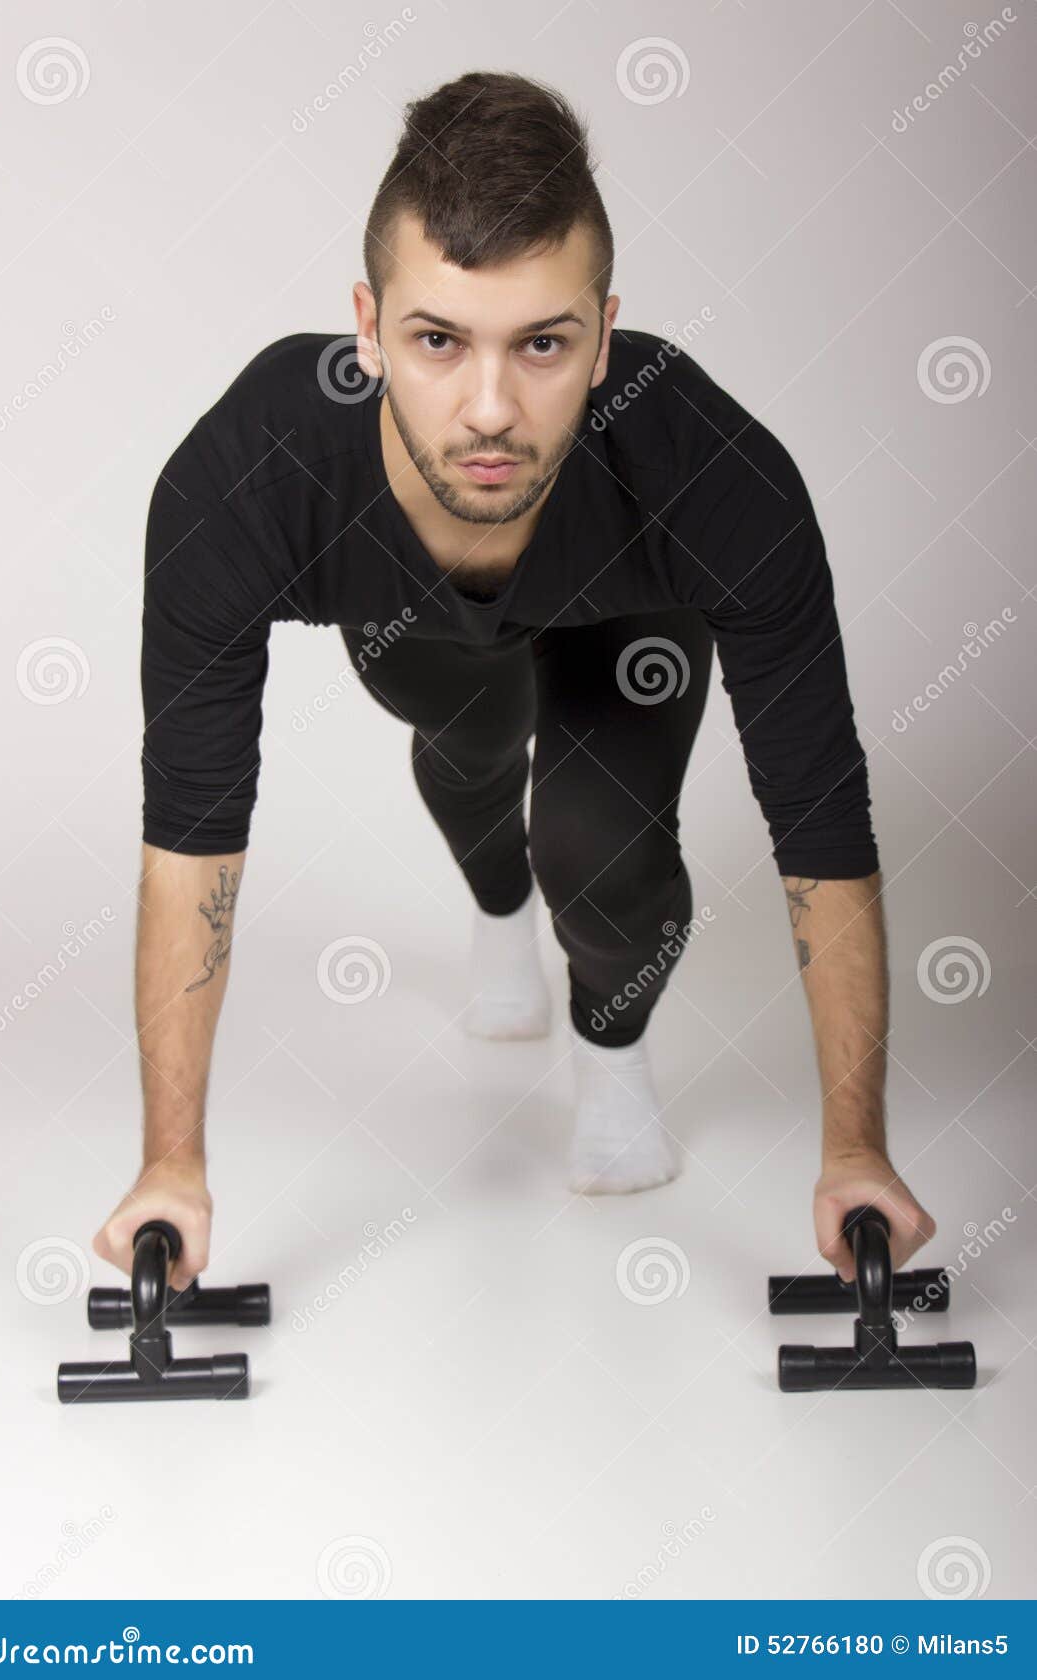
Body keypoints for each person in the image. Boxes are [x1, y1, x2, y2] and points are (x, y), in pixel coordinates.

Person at [94, 71, 935, 1298]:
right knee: (472, 742)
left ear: (603, 334)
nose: (490, 410)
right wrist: (171, 1165)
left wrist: (856, 1150)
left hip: (621, 619)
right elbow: (190, 840)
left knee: (595, 849)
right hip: (417, 631)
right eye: (438, 340)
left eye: (542, 343)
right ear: (368, 327)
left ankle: (608, 1040)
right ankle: (498, 910)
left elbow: (820, 823)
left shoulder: (706, 466)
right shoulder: (246, 476)